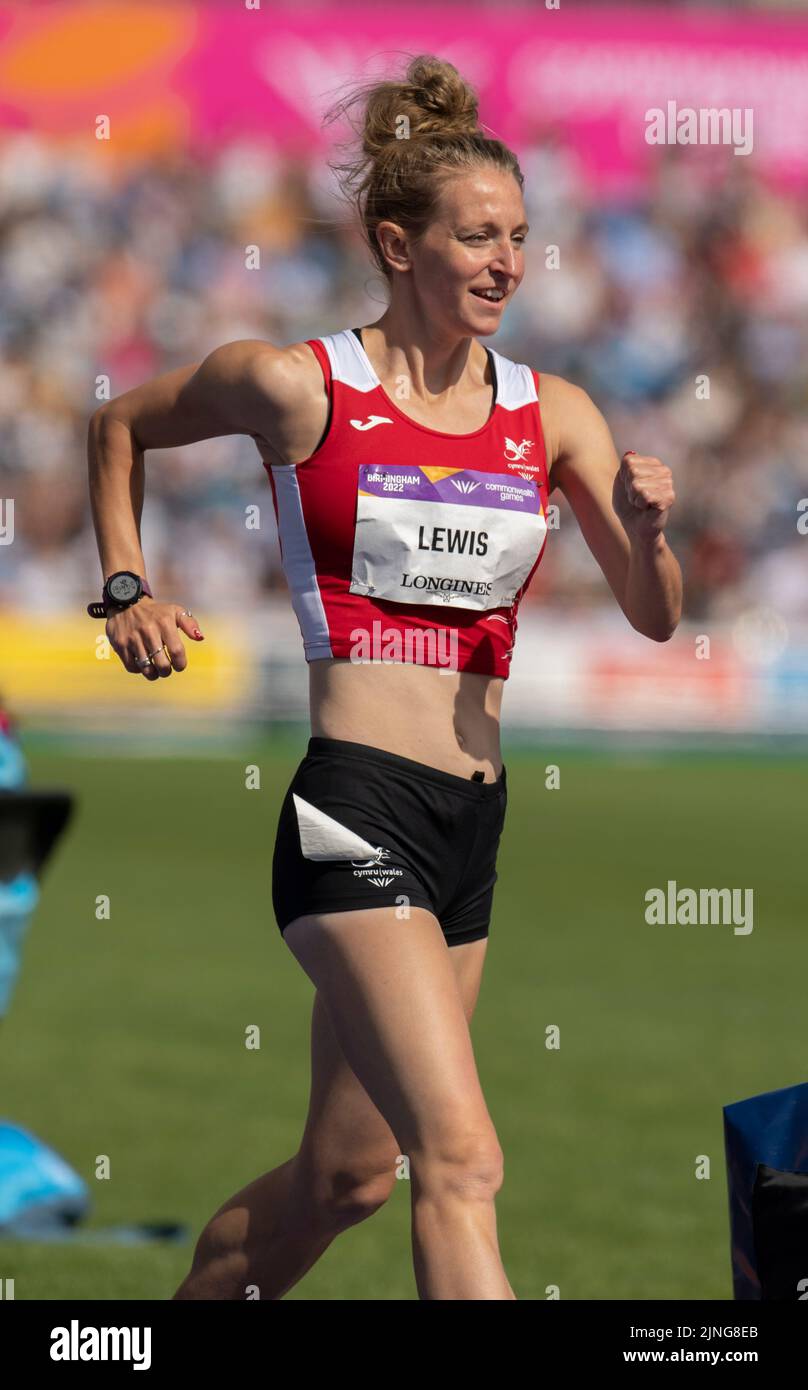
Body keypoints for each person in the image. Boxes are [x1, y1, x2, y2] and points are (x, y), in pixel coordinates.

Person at [86, 55, 682, 1300]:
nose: (506, 261)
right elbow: (119, 424)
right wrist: (129, 586)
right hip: (353, 807)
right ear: (397, 245)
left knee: (344, 1181)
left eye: (519, 237)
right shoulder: (298, 385)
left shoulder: (552, 411)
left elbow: (651, 617)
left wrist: (650, 527)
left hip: (473, 822)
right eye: (477, 236)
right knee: (459, 1160)